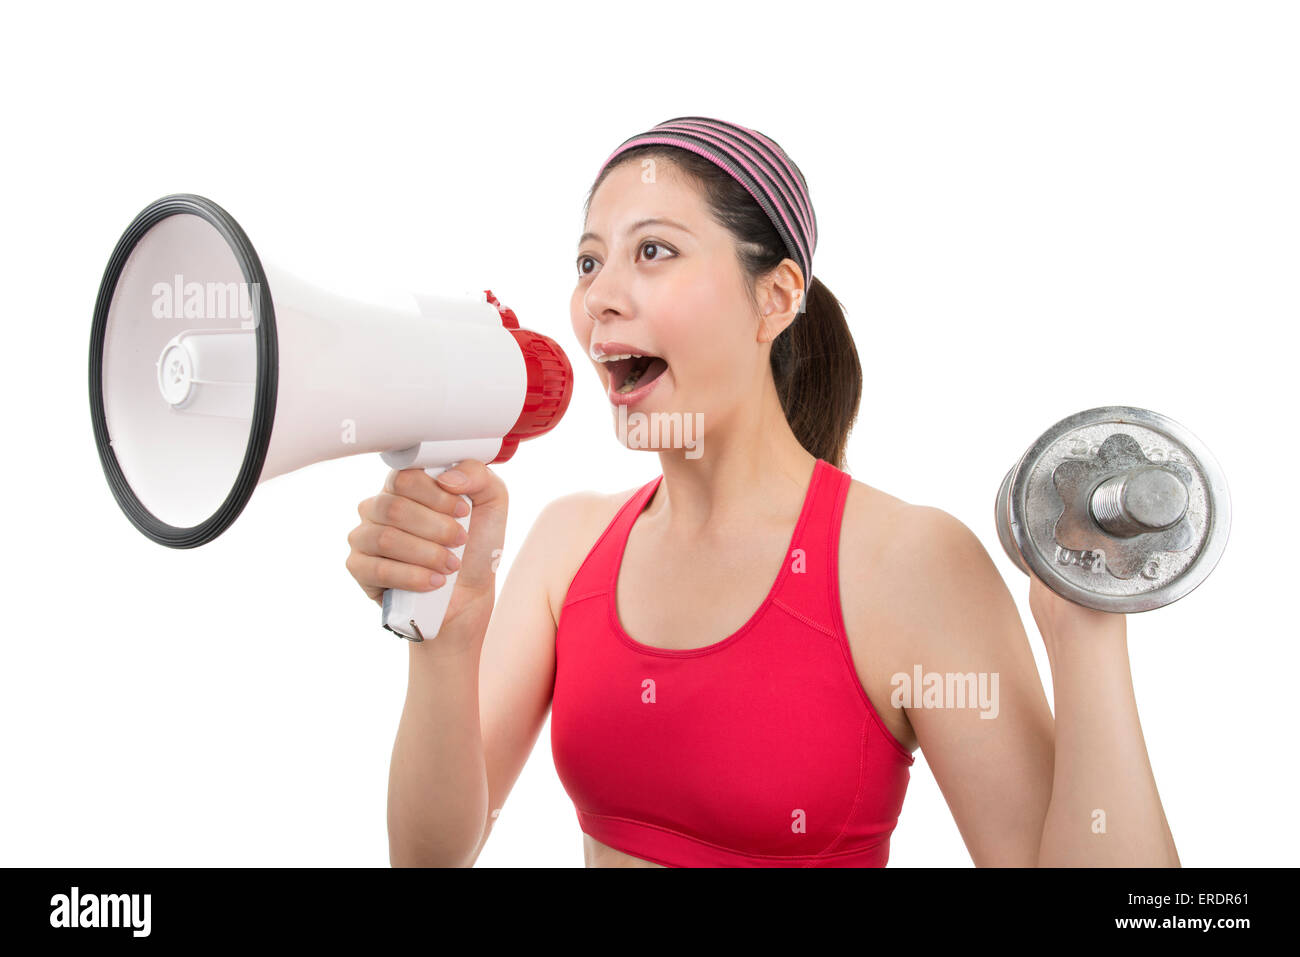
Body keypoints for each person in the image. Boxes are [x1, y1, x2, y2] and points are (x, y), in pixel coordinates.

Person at [346, 117, 1179, 868]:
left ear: (776, 297)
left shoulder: (906, 562)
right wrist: (446, 640)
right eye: (589, 260)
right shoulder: (569, 546)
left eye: (654, 251)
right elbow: (429, 856)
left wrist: (1087, 631)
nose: (598, 296)